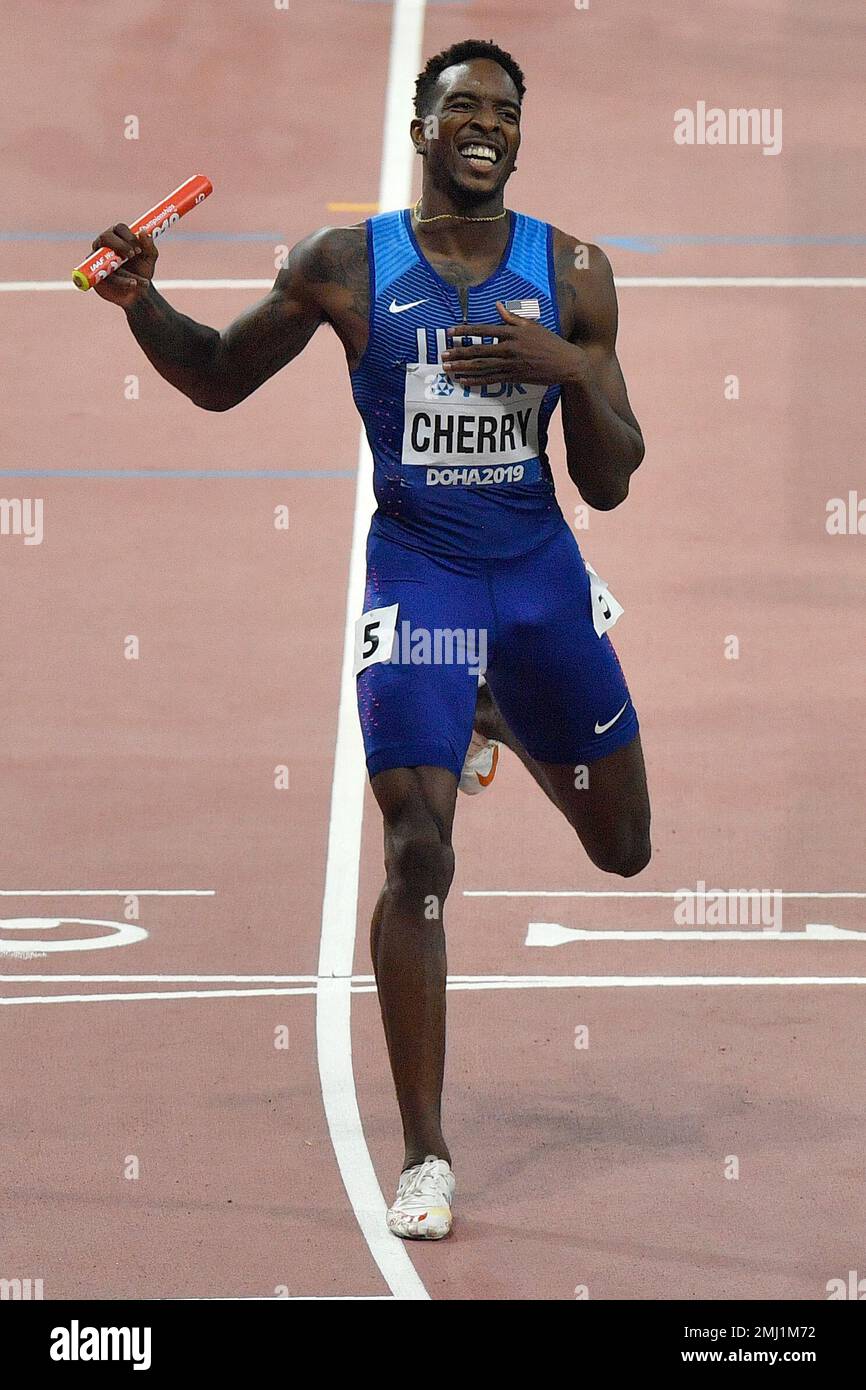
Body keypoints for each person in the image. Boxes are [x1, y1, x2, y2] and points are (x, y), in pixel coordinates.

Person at [89, 38, 651, 1242]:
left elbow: (608, 483)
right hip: (420, 582)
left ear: (518, 135)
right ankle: (426, 1153)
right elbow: (218, 377)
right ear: (420, 129)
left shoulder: (575, 270)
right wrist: (145, 305)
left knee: (624, 848)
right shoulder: (341, 265)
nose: (485, 124)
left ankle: (495, 708)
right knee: (416, 853)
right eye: (462, 107)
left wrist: (570, 369)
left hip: (538, 583)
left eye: (503, 111)